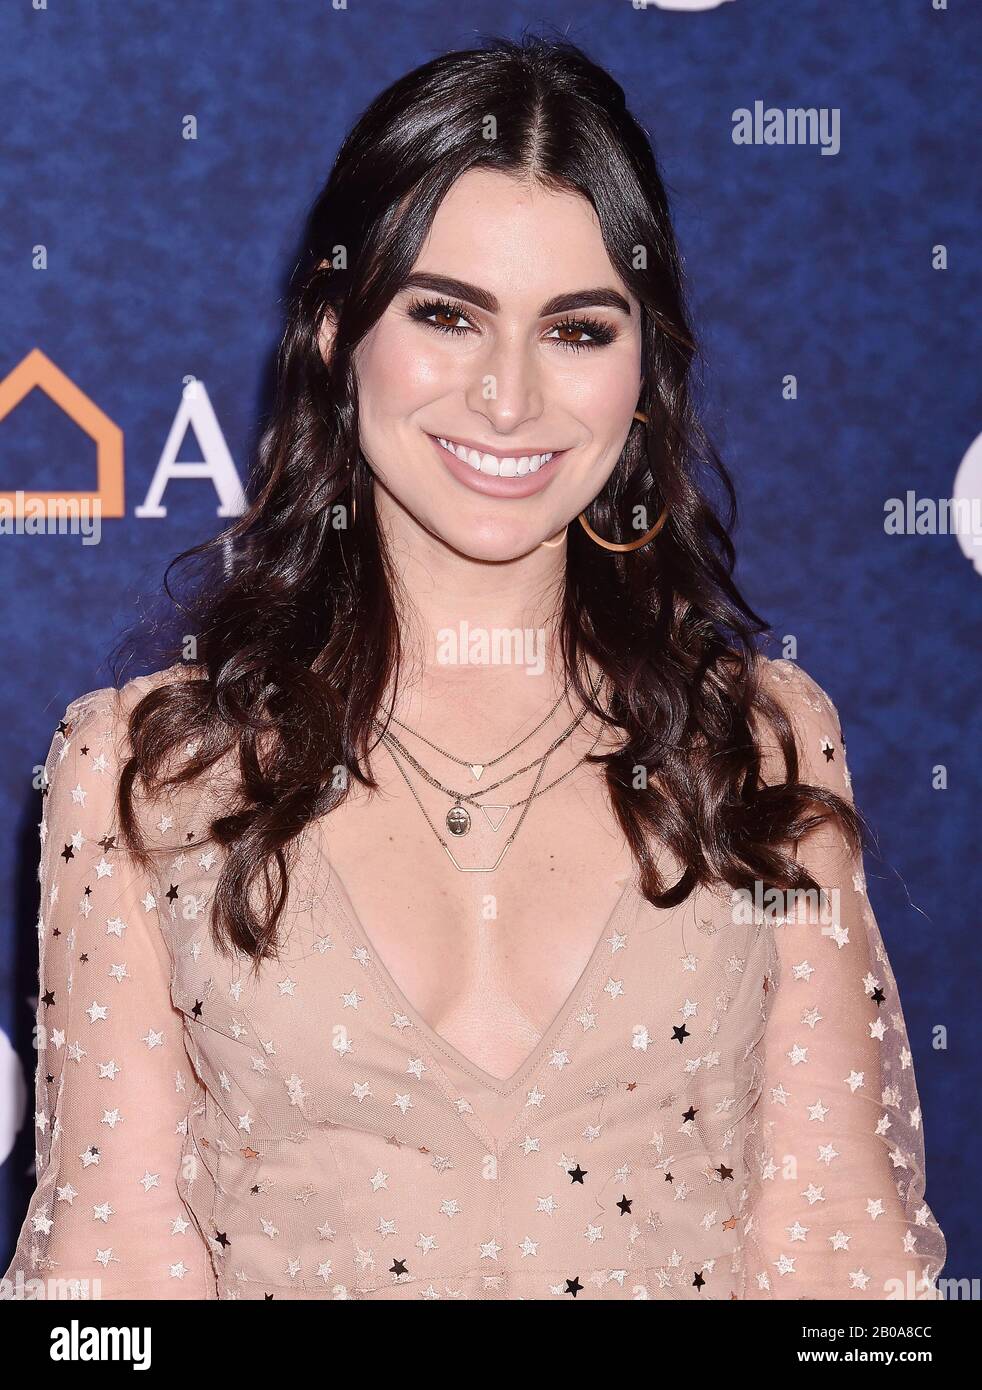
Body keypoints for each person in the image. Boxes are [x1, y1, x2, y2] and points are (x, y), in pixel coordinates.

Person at [4, 34, 946, 1301]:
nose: (506, 398)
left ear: (643, 378)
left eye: (575, 328)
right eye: (446, 314)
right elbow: (104, 1288)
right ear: (339, 335)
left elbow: (842, 1255)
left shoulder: (759, 747)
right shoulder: (146, 771)